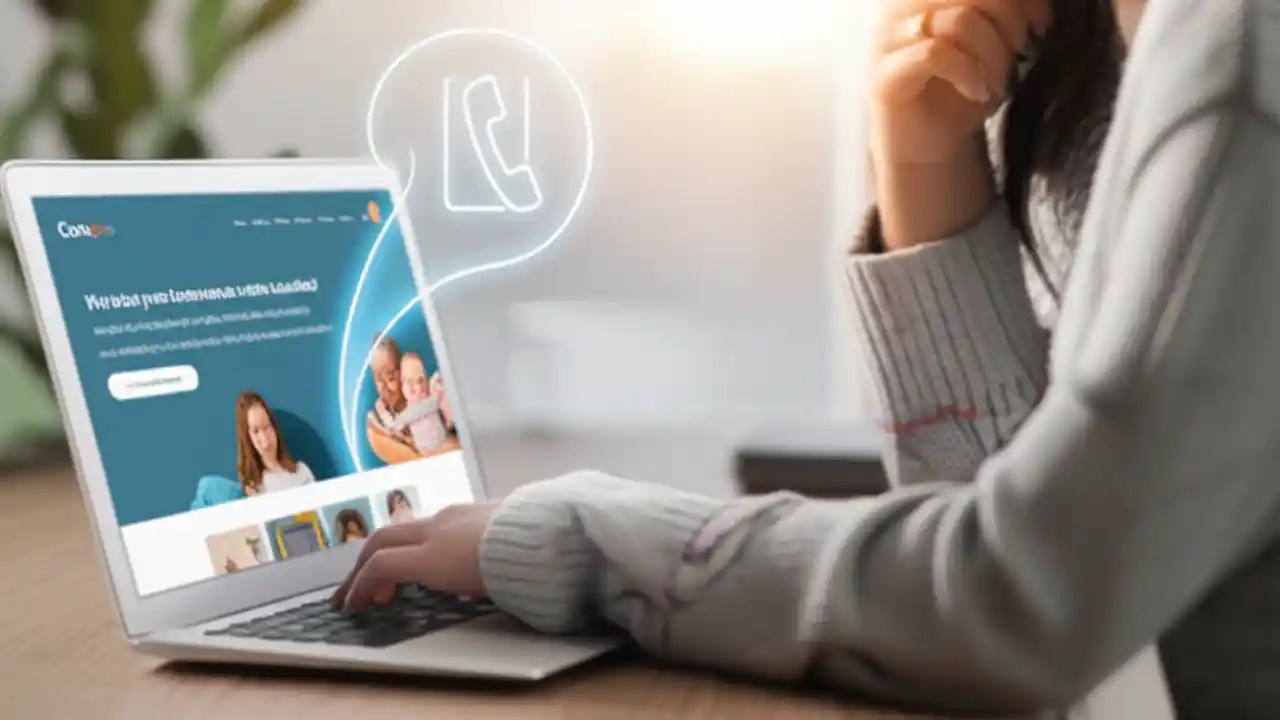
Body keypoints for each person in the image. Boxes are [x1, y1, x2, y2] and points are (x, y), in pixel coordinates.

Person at [335, 0, 1280, 716]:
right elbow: (1015, 542)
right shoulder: (1112, 54)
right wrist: (924, 163)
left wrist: (587, 537)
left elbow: (1034, 594)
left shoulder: (1238, 54)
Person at [235, 391, 315, 495]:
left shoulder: (302, 471)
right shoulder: (255, 489)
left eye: (266, 427)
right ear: (248, 438)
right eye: (255, 431)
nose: (265, 441)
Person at [364, 336, 423, 466]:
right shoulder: (375, 425)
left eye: (391, 377)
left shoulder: (422, 398)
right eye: (379, 380)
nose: (386, 388)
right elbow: (418, 462)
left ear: (401, 371)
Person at [397, 352, 451, 454]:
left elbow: (430, 405)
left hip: (442, 446)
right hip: (425, 452)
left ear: (425, 383)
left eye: (419, 381)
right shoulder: (407, 410)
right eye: (406, 381)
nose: (412, 387)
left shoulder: (430, 400)